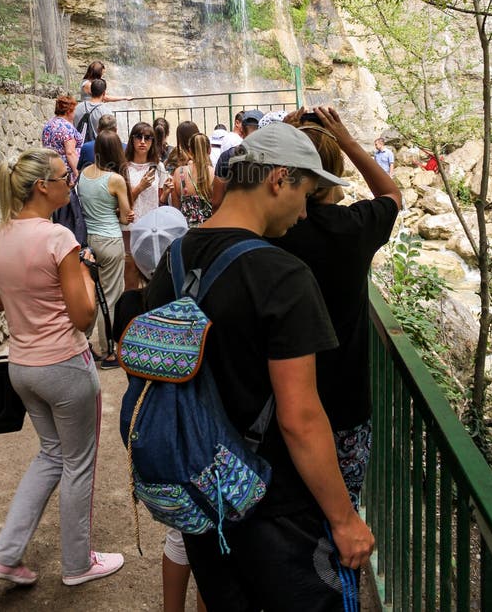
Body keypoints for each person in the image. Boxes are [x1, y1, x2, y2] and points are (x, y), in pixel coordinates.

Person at [142, 123, 374, 611]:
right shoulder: (282, 275)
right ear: (279, 180)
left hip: (206, 499)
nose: (305, 210)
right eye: (306, 194)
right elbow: (300, 417)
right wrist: (345, 519)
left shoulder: (174, 258)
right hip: (277, 507)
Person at [0, 148, 124, 587]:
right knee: (79, 463)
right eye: (66, 177)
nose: (72, 184)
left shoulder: (0, 234)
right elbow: (84, 317)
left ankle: (6, 555)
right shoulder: (59, 238)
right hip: (64, 364)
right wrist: (83, 271)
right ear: (43, 186)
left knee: (50, 456)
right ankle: (78, 562)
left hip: (22, 365)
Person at [273, 107, 402, 510]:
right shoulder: (356, 227)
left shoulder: (273, 228)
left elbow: (225, 193)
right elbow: (392, 194)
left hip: (277, 403)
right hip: (344, 405)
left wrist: (283, 136)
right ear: (334, 170)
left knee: (285, 516)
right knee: (339, 516)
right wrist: (346, 139)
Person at [115, 205, 204, 612]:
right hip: (196, 428)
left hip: (150, 425)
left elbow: (124, 358)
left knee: (177, 533)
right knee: (209, 528)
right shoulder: (193, 308)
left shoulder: (130, 305)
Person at [78, 131, 133, 369]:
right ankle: (110, 352)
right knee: (111, 297)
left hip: (90, 241)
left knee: (94, 294)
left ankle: (84, 342)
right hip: (110, 240)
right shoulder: (115, 180)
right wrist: (126, 214)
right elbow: (125, 216)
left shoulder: (84, 174)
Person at [123, 121, 173, 290]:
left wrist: (166, 192)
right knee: (130, 277)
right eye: (138, 137)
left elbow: (160, 200)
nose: (143, 141)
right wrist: (139, 188)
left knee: (153, 275)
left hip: (151, 227)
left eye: (148, 138)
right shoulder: (124, 168)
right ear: (132, 140)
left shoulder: (158, 167)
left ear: (153, 142)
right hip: (130, 227)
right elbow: (121, 203)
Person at [211, 109, 264, 211]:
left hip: (232, 217)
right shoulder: (271, 157)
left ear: (242, 131)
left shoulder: (226, 156)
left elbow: (216, 202)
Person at [171, 132, 214, 228]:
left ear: (190, 150)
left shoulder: (179, 173)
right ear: (209, 150)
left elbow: (176, 208)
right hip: (209, 230)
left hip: (187, 232)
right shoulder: (214, 174)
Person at [41, 95, 83, 183]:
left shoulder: (49, 124)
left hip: (51, 168)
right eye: (74, 110)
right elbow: (70, 153)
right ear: (68, 111)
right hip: (66, 172)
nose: (74, 113)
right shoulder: (67, 128)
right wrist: (77, 173)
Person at [74, 78, 109, 142]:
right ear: (104, 93)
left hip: (79, 147)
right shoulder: (106, 111)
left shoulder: (77, 107)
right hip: (97, 148)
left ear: (91, 91)